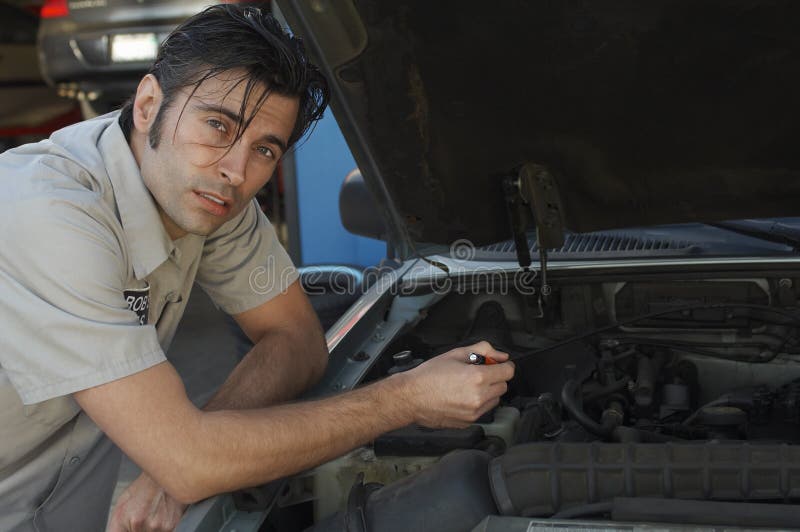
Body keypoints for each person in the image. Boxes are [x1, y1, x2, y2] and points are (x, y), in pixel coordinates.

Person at [0, 5, 515, 531]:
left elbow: (295, 340)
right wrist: (407, 398)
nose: (236, 170)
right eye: (217, 125)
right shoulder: (50, 215)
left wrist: (182, 455)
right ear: (150, 104)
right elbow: (191, 462)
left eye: (265, 149)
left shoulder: (211, 195)